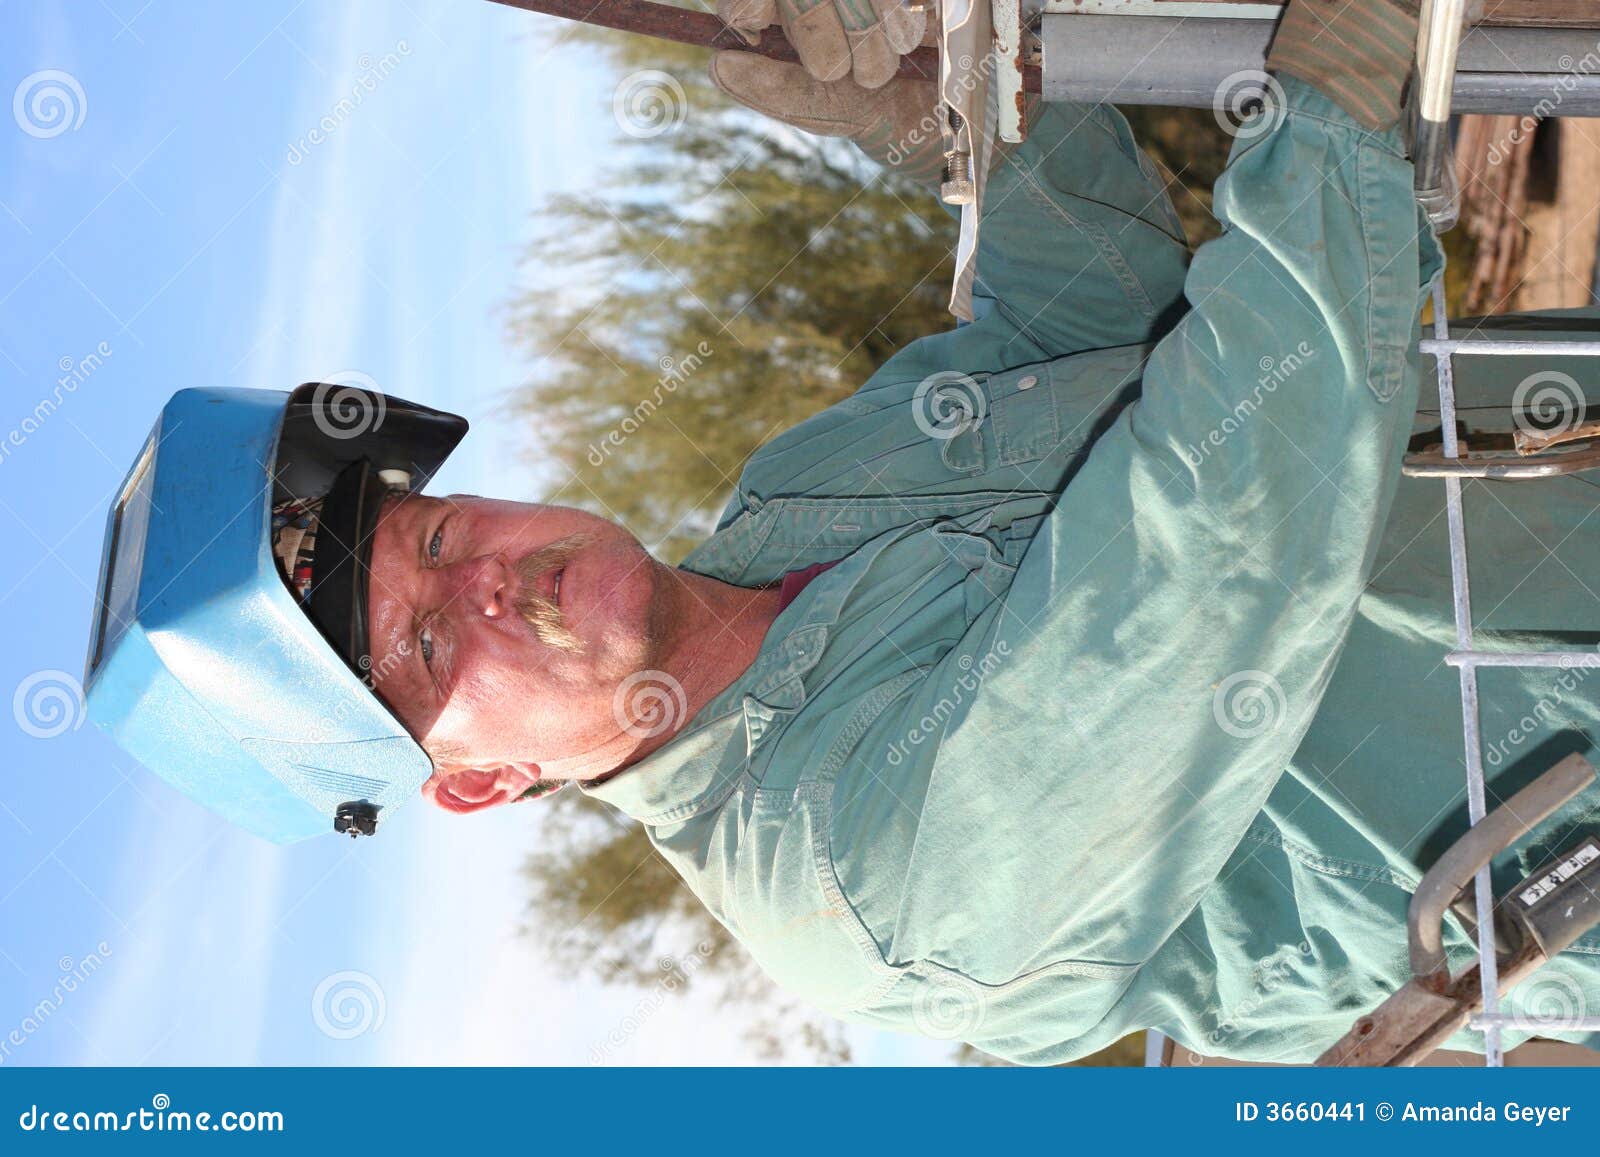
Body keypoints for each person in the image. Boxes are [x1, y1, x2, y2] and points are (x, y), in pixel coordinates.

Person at [90, 0, 1600, 1063]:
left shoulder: (791, 499)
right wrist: (1337, 77)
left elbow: (1097, 312)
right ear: (482, 784)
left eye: (427, 536)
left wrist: (943, 89)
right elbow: (1216, 544)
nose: (482, 579)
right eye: (424, 648)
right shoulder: (854, 892)